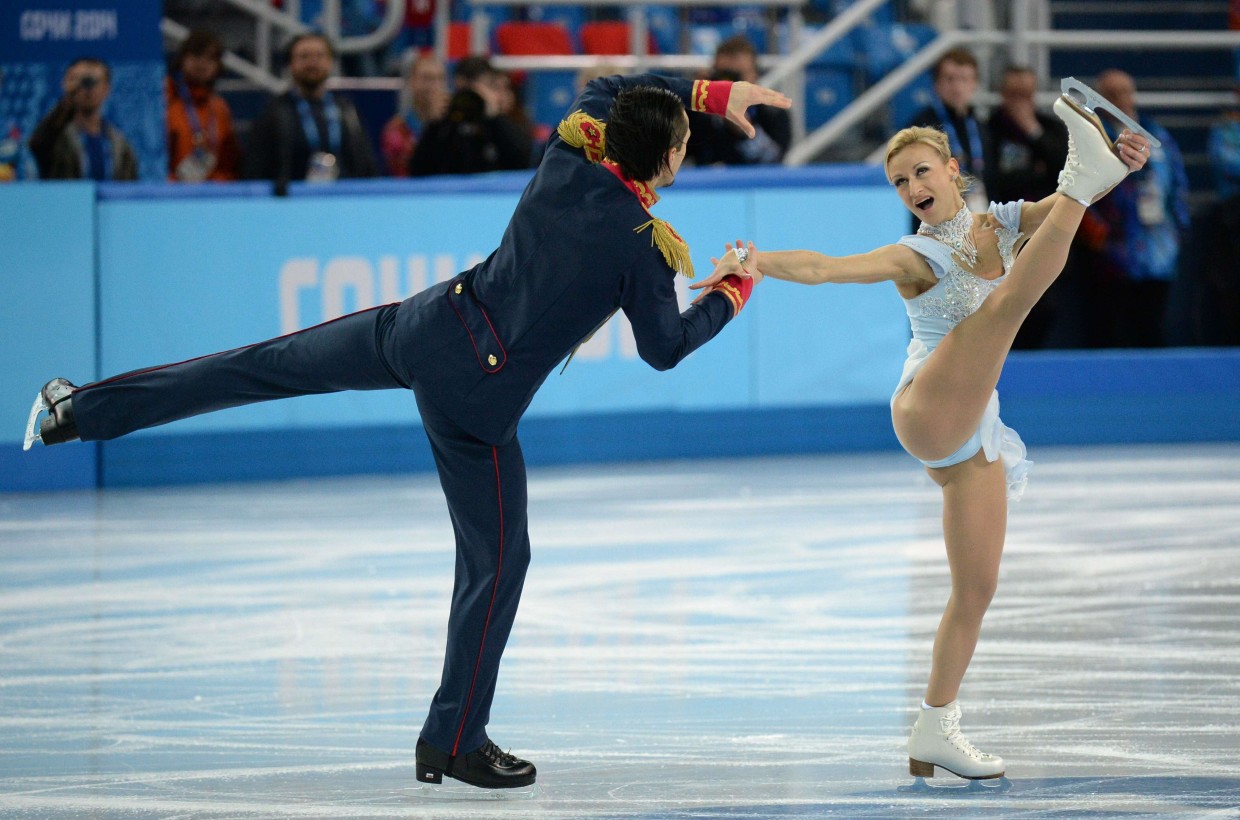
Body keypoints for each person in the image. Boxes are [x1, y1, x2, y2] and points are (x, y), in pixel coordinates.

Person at [25, 74, 792, 791]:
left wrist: (706, 90)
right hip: (477, 405)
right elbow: (663, 349)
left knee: (260, 365)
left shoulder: (570, 151)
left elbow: (609, 85)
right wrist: (734, 285)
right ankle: (452, 741)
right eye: (685, 140)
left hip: (425, 326)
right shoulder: (642, 243)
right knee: (498, 564)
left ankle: (77, 412)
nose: (688, 149)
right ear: (666, 156)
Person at [692, 81, 1150, 781]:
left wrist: (1120, 165)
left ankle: (935, 727)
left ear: (953, 173)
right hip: (926, 408)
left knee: (976, 589)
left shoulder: (997, 223)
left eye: (921, 173)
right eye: (900, 181)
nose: (911, 187)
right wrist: (759, 264)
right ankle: (1083, 172)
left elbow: (1061, 216)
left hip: (973, 436)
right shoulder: (918, 255)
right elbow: (827, 269)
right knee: (1003, 312)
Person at [1083, 69, 1190, 348]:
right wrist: (1100, 238)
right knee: (1113, 331)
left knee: (1151, 325)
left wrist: (1178, 231)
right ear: (1099, 99)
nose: (1120, 99)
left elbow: (1177, 185)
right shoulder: (1091, 137)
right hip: (1113, 253)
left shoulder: (1157, 136)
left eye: (1124, 92)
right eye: (1111, 94)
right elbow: (1079, 192)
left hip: (1158, 249)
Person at [986, 66, 1071, 349]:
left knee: (1045, 305)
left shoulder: (1049, 127)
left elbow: (1065, 172)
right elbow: (992, 178)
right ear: (1002, 95)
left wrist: (1033, 133)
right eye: (1014, 95)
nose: (1020, 101)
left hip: (1045, 229)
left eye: (1026, 94)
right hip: (1001, 231)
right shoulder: (989, 130)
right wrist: (1037, 172)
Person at [242, 33, 378, 187]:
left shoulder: (347, 111)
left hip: (343, 200)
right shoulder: (273, 113)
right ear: (290, 64)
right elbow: (256, 168)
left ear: (330, 62)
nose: (312, 63)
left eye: (320, 56)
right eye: (304, 56)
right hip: (292, 203)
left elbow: (366, 164)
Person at [409, 56, 531, 176]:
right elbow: (419, 173)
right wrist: (434, 126)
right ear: (458, 85)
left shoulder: (504, 120)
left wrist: (495, 117)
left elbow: (523, 163)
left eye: (488, 88)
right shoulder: (446, 122)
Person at [905, 48, 991, 212]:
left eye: (964, 79)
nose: (957, 87)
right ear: (936, 84)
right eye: (950, 79)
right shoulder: (920, 128)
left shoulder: (982, 128)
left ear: (975, 83)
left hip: (978, 215)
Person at [687, 35, 792, 166]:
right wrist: (691, 98)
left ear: (754, 76)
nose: (731, 85)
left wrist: (743, 131)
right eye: (724, 75)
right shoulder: (698, 111)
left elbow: (774, 162)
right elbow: (675, 155)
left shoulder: (772, 112)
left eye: (737, 77)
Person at [28, 57, 139, 181]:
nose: (87, 88)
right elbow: (38, 144)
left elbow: (129, 189)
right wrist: (69, 96)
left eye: (93, 81)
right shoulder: (57, 139)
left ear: (107, 89)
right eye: (80, 81)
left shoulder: (120, 145)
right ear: (66, 84)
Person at [166, 29, 242, 182]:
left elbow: (229, 163)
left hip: (212, 196)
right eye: (196, 55)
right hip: (172, 196)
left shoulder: (220, 108)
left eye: (211, 58)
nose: (202, 63)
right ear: (182, 59)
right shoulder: (165, 101)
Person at [379, 50, 449, 177]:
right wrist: (434, 125)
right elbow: (408, 173)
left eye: (440, 78)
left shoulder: (454, 126)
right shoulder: (396, 130)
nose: (435, 86)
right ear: (412, 82)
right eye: (427, 78)